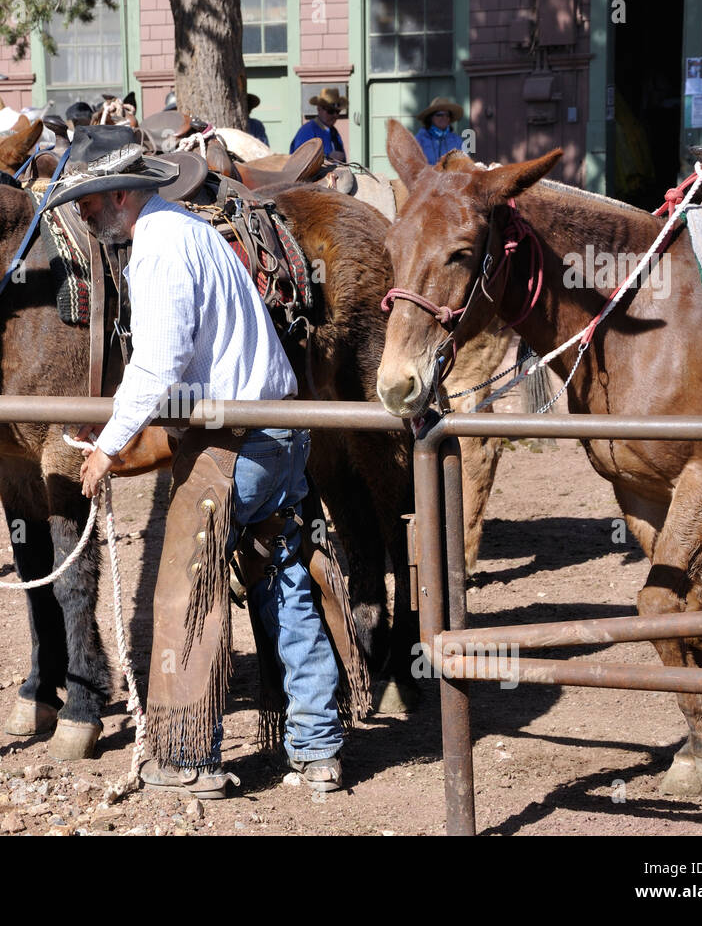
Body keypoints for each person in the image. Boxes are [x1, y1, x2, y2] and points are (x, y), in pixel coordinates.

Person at [44, 125, 348, 800]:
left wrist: (107, 446)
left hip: (234, 437)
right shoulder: (187, 231)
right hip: (280, 429)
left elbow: (159, 363)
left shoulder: (157, 249)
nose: (86, 215)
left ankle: (187, 755)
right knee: (285, 577)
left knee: (189, 584)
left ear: (121, 195)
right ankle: (319, 746)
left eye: (91, 203)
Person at [290, 87, 347, 161]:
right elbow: (300, 159)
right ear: (319, 109)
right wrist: (327, 157)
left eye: (337, 112)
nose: (335, 116)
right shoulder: (307, 130)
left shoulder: (334, 132)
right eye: (330, 111)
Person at [414, 96, 466, 164]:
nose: (444, 117)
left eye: (447, 115)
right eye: (439, 115)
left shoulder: (457, 140)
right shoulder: (419, 140)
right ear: (430, 118)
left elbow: (465, 167)